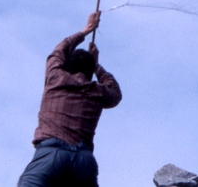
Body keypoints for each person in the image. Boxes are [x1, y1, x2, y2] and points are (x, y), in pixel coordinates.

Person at [17, 12, 122, 187]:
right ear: (89, 73)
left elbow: (59, 50)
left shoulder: (56, 77)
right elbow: (115, 93)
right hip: (83, 161)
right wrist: (96, 66)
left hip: (51, 154)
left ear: (67, 66)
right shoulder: (97, 90)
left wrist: (86, 29)